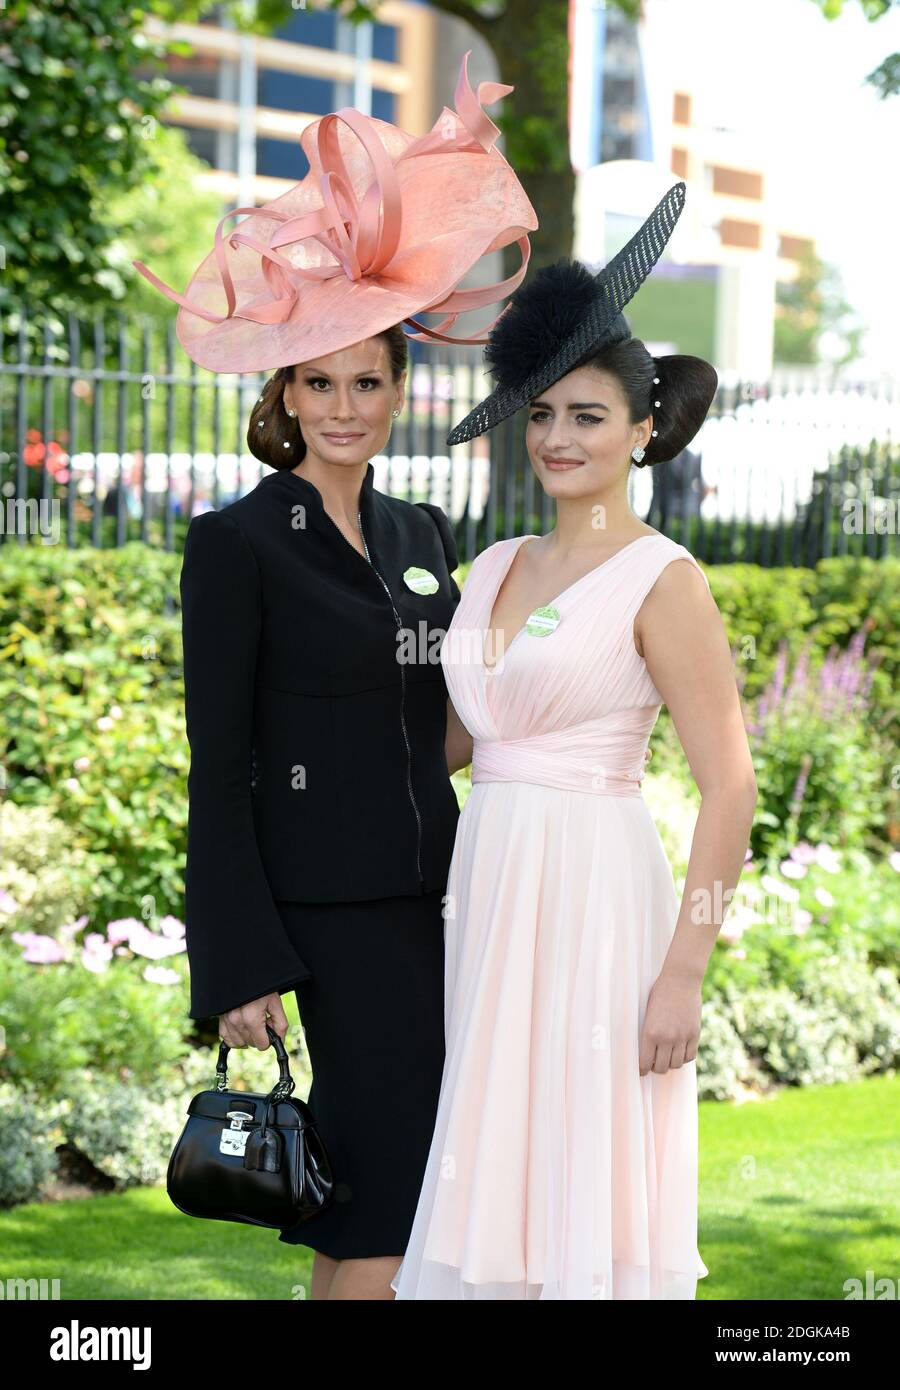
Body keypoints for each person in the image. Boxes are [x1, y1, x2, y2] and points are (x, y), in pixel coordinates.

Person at [133, 51, 538, 1301]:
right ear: (287, 393)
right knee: (372, 1201)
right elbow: (222, 763)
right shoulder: (239, 544)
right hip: (327, 918)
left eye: (370, 381)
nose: (346, 405)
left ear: (401, 392)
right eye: (322, 383)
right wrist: (240, 962)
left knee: (419, 1189)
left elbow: (449, 725)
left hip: (440, 900)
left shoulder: (422, 535)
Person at [391, 182, 758, 1300]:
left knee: (585, 1158)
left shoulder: (664, 579)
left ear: (645, 432)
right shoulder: (494, 565)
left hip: (603, 902)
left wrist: (683, 970)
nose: (557, 436)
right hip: (491, 889)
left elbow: (731, 786)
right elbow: (450, 743)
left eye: (588, 416)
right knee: (496, 1145)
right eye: (542, 412)